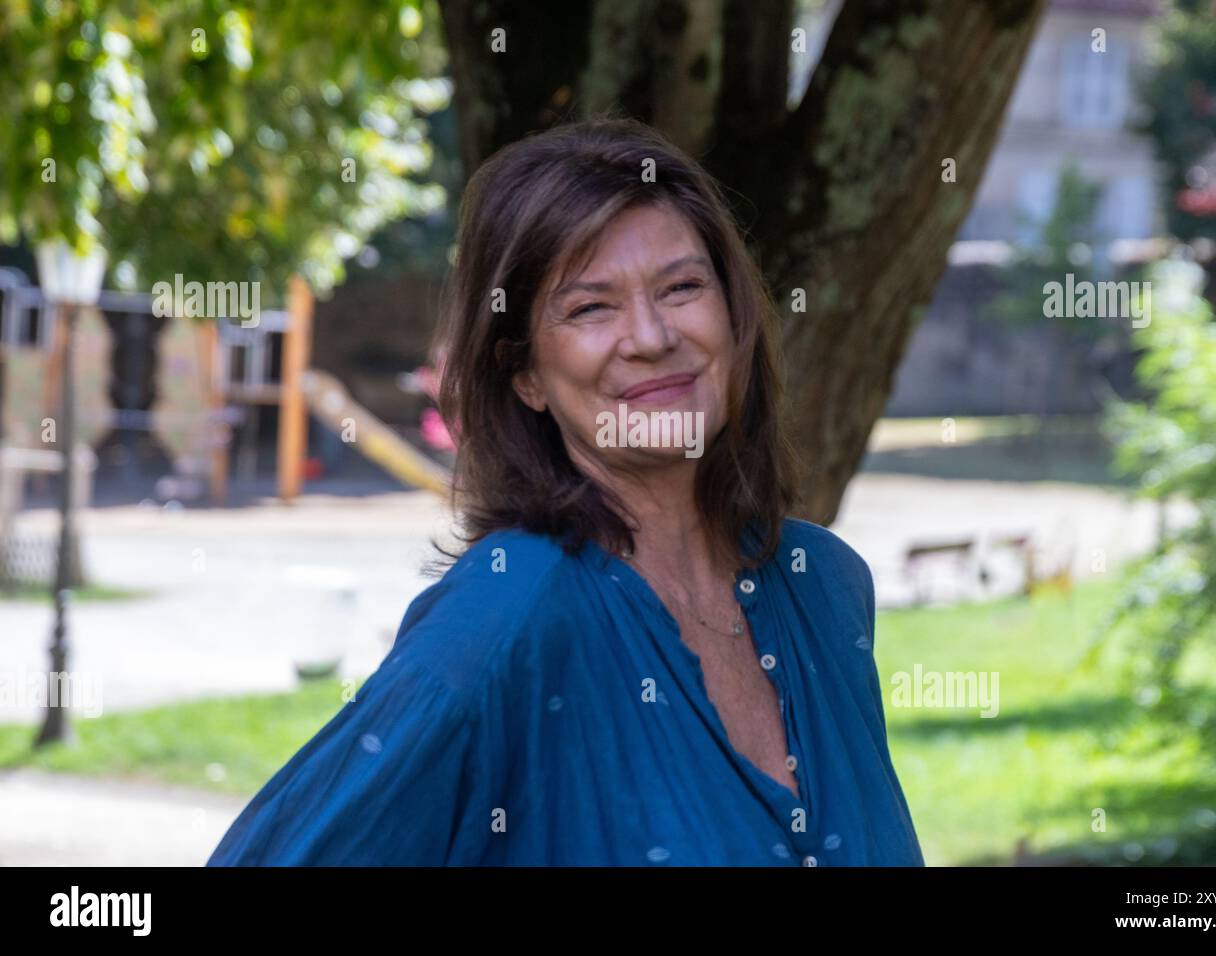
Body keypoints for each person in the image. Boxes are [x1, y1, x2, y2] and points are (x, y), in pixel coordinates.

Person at [207, 117, 925, 867]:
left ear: (735, 317)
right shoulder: (508, 613)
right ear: (524, 373)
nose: (650, 336)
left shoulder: (825, 588)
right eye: (590, 307)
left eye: (682, 287)